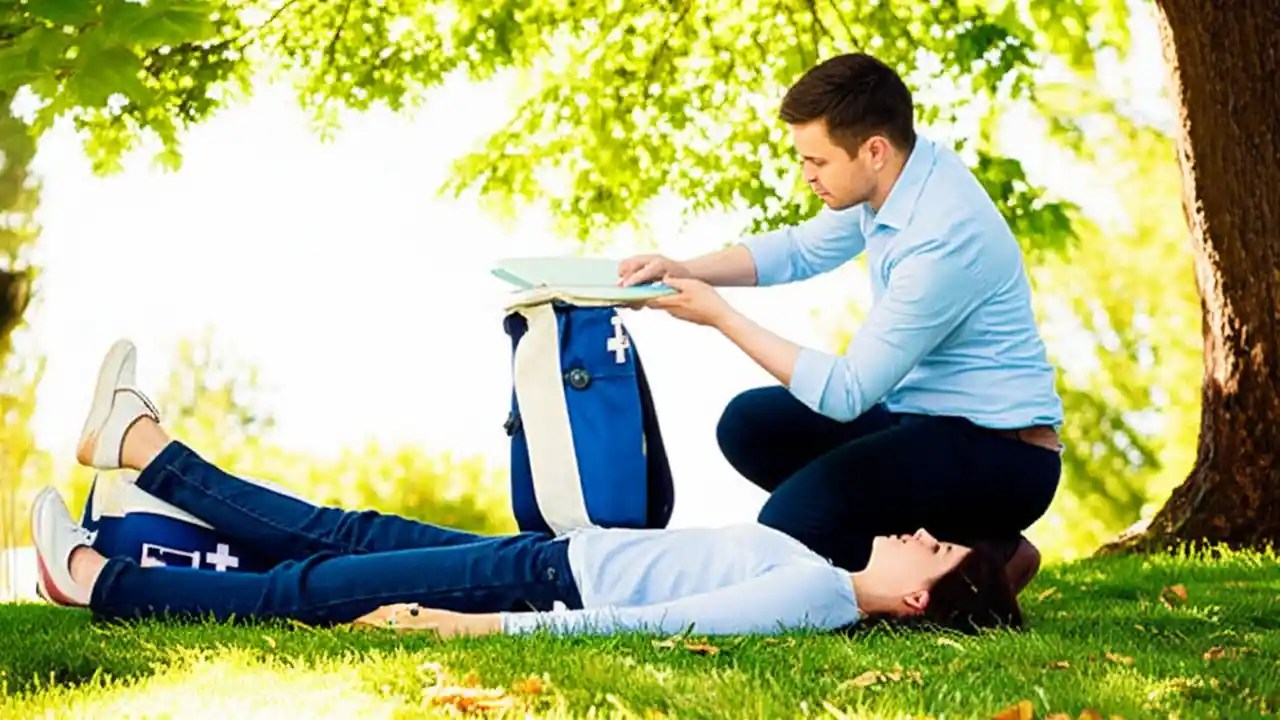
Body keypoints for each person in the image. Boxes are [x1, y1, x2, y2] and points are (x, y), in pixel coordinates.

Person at [31, 340, 1020, 637]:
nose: (917, 532)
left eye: (930, 548)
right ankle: (141, 447)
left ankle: (99, 583)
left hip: (536, 588)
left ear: (919, 593)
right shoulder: (817, 577)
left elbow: (651, 628)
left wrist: (470, 630)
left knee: (306, 591)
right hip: (542, 566)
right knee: (341, 536)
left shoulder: (809, 596)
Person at [618, 52, 1064, 590]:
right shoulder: (902, 175)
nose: (806, 175)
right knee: (750, 426)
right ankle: (974, 550)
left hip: (1001, 456)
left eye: (818, 161)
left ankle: (963, 569)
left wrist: (719, 317)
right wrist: (686, 270)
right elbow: (801, 249)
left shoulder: (944, 238)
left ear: (873, 150)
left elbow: (847, 391)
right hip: (924, 419)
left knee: (789, 527)